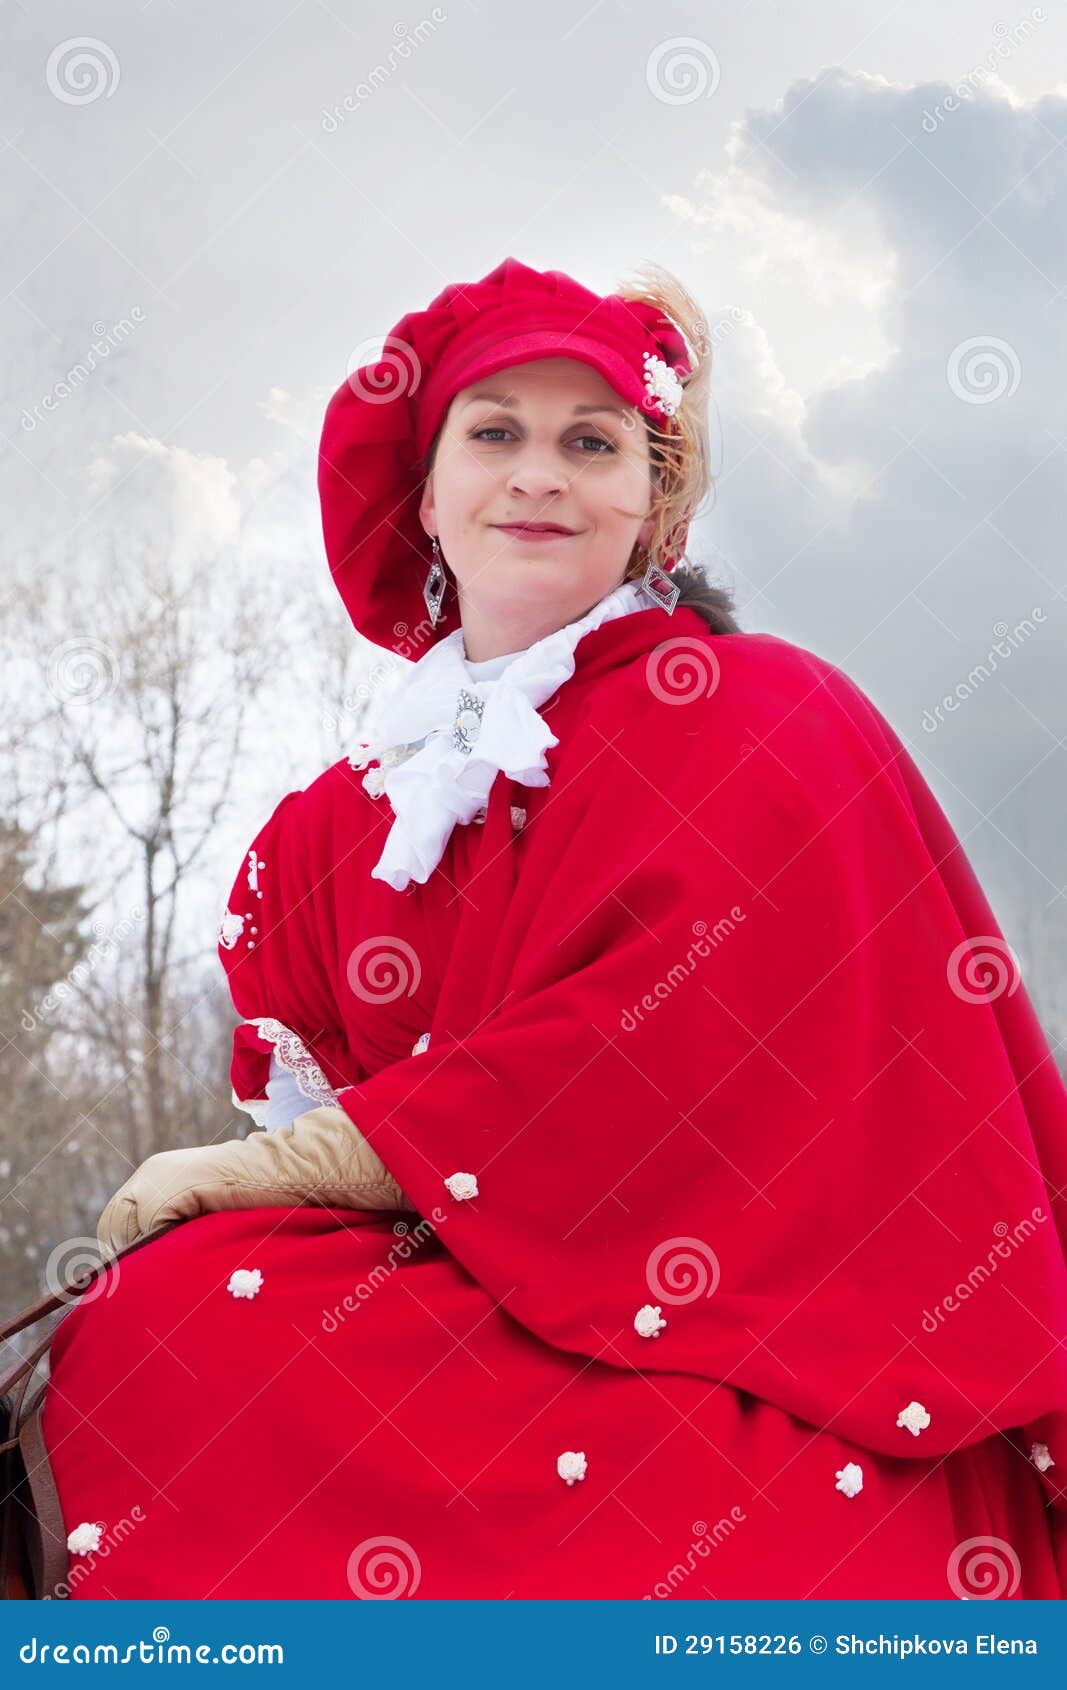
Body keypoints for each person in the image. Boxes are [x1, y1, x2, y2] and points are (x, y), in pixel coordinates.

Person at [40, 256, 1067, 1601]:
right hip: (488, 1280)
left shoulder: (758, 712)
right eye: (497, 432)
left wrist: (313, 1159)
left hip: (754, 1319)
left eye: (592, 442)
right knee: (161, 1326)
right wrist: (280, 1189)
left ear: (654, 504)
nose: (540, 474)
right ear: (427, 490)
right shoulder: (337, 823)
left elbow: (669, 1058)